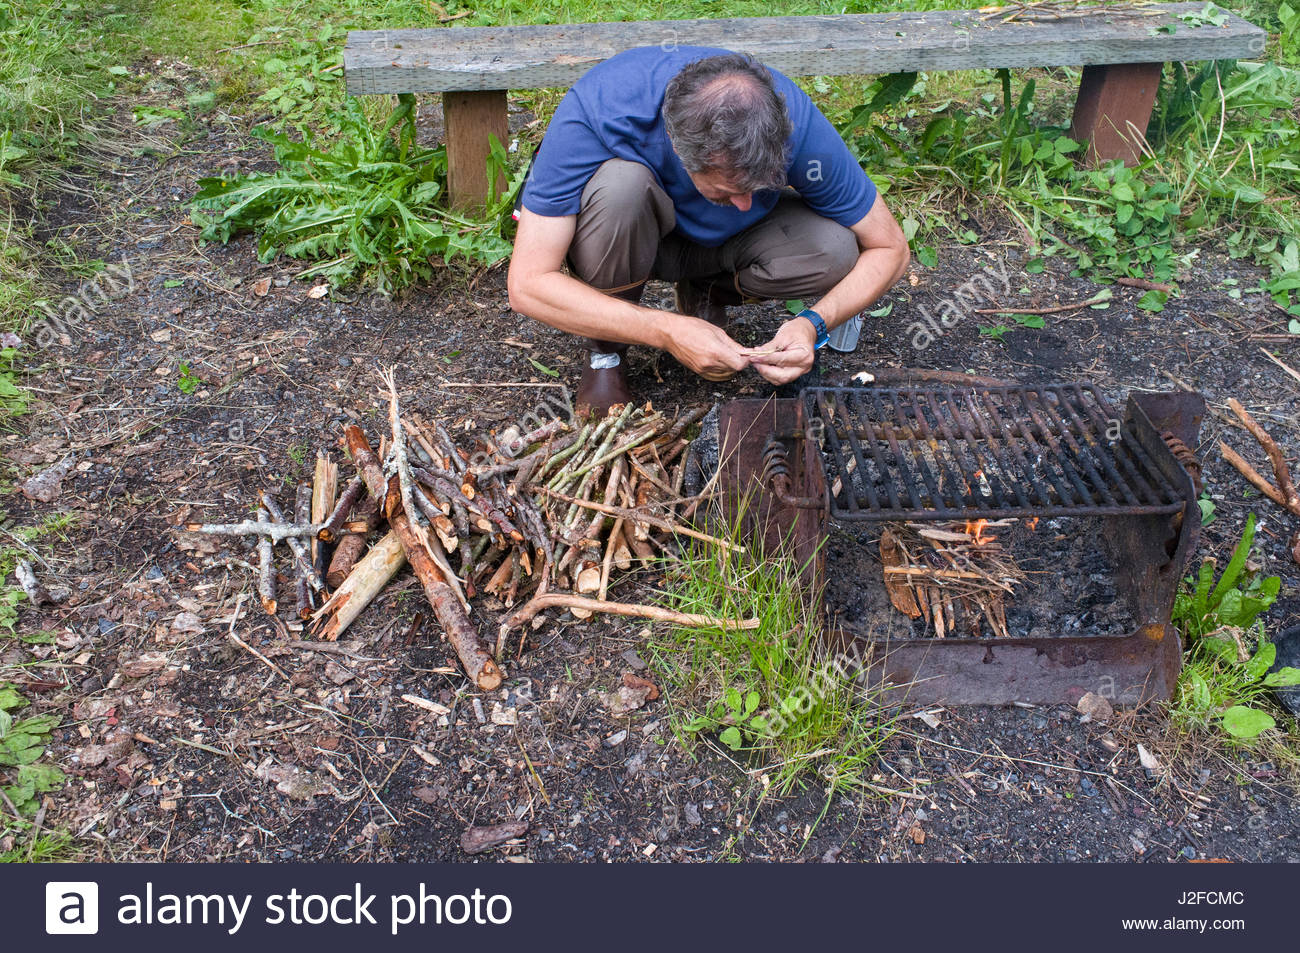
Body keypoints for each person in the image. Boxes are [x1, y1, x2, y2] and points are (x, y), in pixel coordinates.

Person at [506, 46, 910, 416]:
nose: (745, 205)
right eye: (730, 190)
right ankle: (606, 353)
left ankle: (707, 289)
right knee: (620, 188)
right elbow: (527, 285)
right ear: (682, 152)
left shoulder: (793, 122)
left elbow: (890, 247)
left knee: (834, 247)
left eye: (757, 186)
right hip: (632, 238)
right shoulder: (600, 109)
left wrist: (812, 323)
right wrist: (664, 330)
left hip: (723, 247)